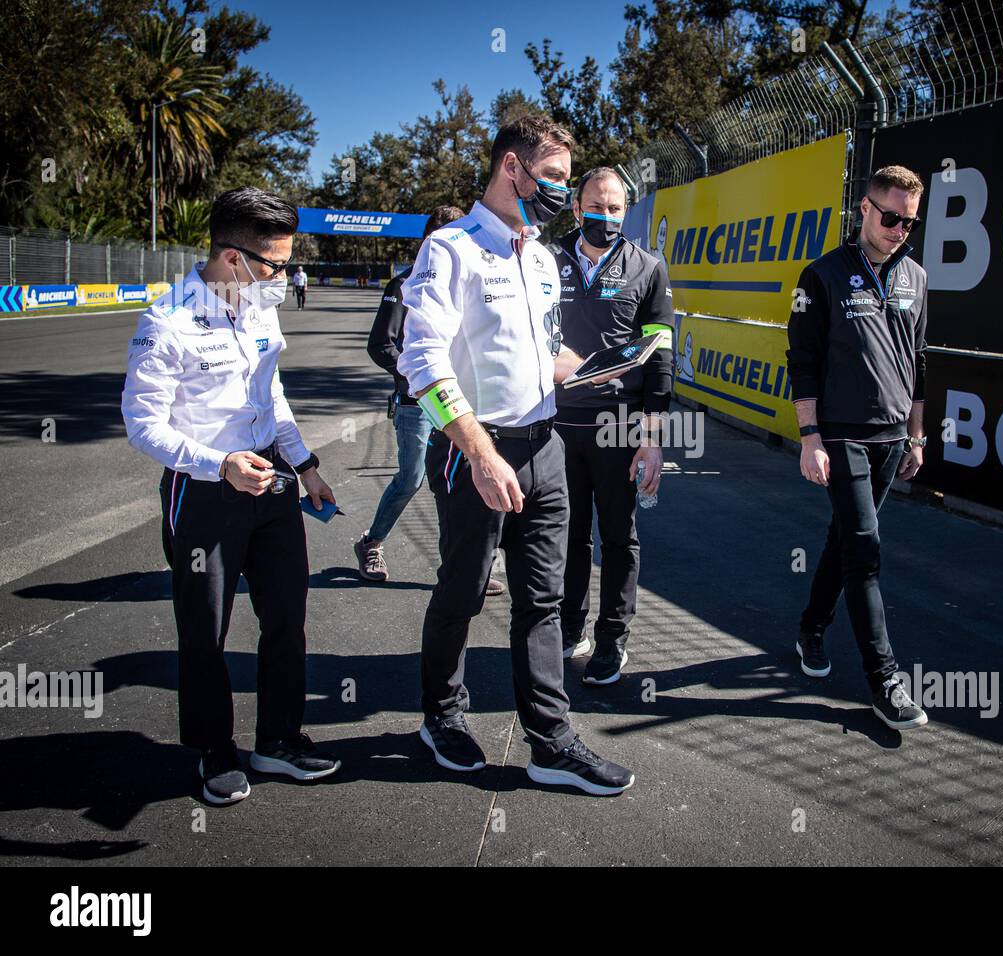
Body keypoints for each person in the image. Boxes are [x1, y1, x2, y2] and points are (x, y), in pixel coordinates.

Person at [397, 115, 635, 796]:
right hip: (476, 450)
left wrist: (601, 367)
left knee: (544, 602)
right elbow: (422, 360)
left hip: (545, 445)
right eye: (554, 178)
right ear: (512, 168)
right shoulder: (450, 250)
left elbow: (544, 352)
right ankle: (441, 716)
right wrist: (477, 452)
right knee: (463, 591)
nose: (565, 193)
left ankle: (551, 743)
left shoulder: (538, 256)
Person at [121, 186, 342, 805]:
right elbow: (143, 425)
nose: (284, 277)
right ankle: (215, 750)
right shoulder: (166, 321)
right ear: (232, 257)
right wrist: (218, 464)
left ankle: (277, 741)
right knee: (204, 631)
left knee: (287, 619)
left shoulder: (259, 308)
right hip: (203, 494)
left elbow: (271, 394)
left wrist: (306, 462)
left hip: (271, 483)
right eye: (274, 265)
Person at [785, 165, 932, 731]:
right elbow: (802, 362)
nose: (898, 229)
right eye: (891, 217)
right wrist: (810, 437)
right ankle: (885, 680)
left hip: (893, 438)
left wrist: (916, 433)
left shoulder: (916, 278)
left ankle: (812, 627)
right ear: (865, 210)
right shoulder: (821, 275)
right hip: (841, 435)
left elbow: (919, 361)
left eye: (909, 222)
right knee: (865, 550)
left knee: (845, 538)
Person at [546, 167, 674, 684]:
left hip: (619, 425)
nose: (605, 215)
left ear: (627, 211)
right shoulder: (544, 260)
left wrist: (652, 439)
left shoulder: (648, 267)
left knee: (619, 536)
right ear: (577, 209)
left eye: (615, 207)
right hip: (554, 421)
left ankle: (612, 639)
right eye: (594, 206)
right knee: (568, 534)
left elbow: (661, 358)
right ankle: (570, 626)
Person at [353, 205, 504, 595]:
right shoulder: (403, 285)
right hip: (417, 402)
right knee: (412, 478)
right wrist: (422, 379)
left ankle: (460, 566)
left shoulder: (473, 281)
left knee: (455, 481)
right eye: (439, 233)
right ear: (426, 239)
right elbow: (380, 345)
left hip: (464, 404)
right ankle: (371, 542)